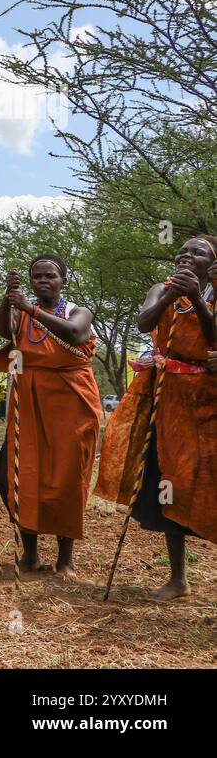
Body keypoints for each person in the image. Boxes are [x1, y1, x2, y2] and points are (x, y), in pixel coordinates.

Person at [95, 235, 217, 600]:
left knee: (209, 481)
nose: (185, 254)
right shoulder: (159, 289)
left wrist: (197, 296)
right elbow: (143, 322)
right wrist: (171, 295)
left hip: (206, 399)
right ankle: (178, 578)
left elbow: (213, 340)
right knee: (169, 479)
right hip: (165, 399)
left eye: (197, 251)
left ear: (211, 264)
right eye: (181, 250)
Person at [0, 255, 100, 576]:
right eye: (37, 277)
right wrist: (8, 300)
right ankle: (30, 555)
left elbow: (76, 334)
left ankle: (65, 559)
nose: (43, 281)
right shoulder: (20, 312)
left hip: (71, 407)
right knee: (20, 477)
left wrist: (29, 309)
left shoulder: (78, 310)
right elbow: (2, 330)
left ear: (63, 279)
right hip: (30, 405)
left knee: (66, 480)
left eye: (50, 275)